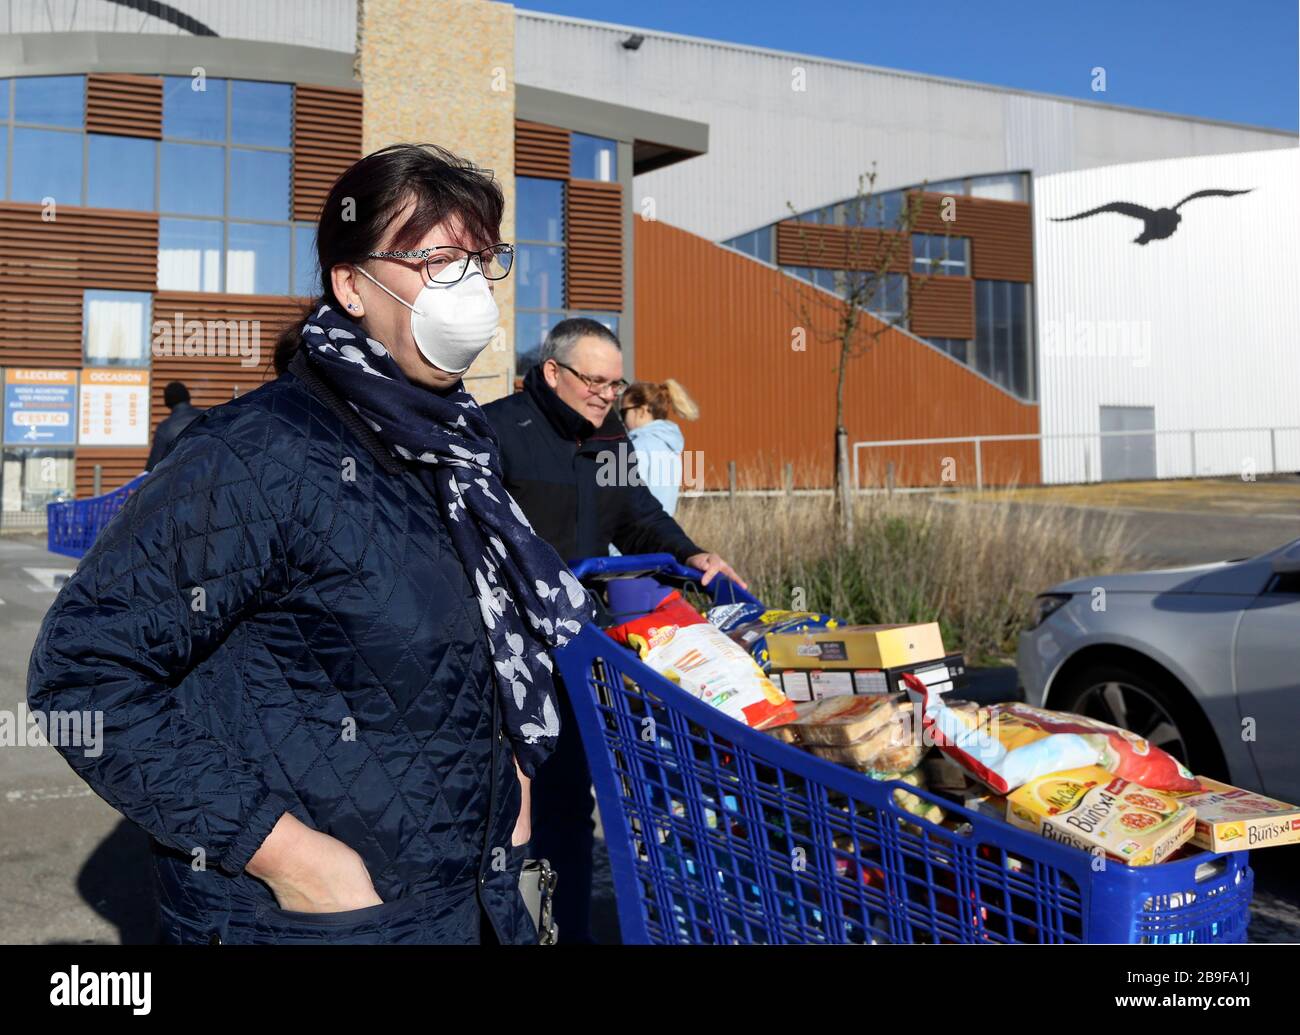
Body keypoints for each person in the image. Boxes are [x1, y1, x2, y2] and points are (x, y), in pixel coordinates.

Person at [27, 143, 592, 945]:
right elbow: (83, 672)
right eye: (434, 259)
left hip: (464, 902)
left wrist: (511, 783)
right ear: (351, 284)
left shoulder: (457, 447)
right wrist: (292, 857)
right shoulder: (257, 453)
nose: (466, 287)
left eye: (479, 260)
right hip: (315, 922)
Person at [482, 321, 744, 943]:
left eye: (614, 381)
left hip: (579, 647)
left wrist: (692, 554)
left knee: (570, 801)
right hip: (504, 652)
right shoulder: (498, 431)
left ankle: (565, 928)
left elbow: (638, 516)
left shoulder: (608, 437)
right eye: (593, 380)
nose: (606, 393)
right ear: (553, 373)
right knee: (504, 806)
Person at [618, 378, 699, 518]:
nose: (622, 419)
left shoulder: (638, 447)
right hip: (659, 533)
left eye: (624, 412)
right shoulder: (669, 447)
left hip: (632, 536)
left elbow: (623, 503)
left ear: (642, 411)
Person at [144, 381, 203, 471]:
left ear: (167, 402)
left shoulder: (165, 427)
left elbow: (153, 467)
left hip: (181, 481)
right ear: (187, 397)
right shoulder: (207, 416)